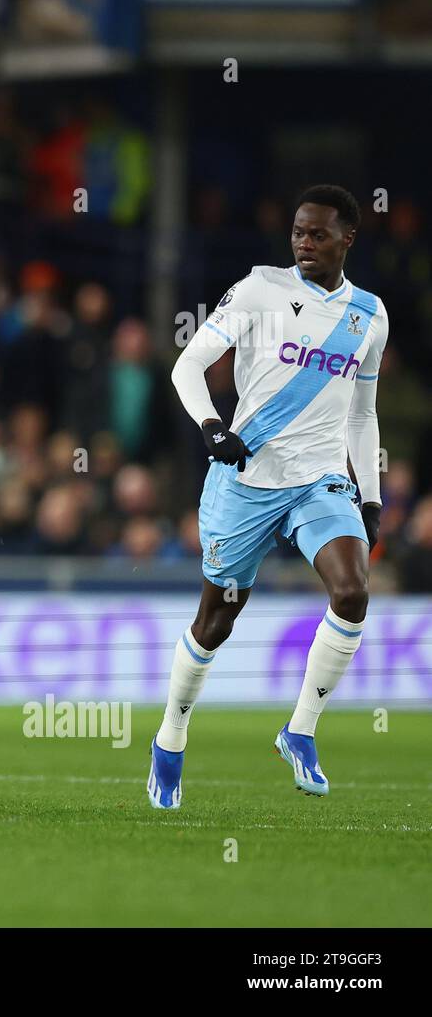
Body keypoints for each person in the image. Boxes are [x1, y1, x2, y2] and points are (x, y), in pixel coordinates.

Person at [151, 185, 386, 807]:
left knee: (353, 591)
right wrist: (210, 427)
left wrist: (371, 495)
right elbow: (187, 365)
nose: (304, 244)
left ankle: (300, 730)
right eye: (297, 233)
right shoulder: (258, 290)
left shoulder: (370, 315)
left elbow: (363, 414)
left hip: (319, 481)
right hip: (248, 478)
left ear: (347, 238)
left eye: (317, 235)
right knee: (215, 622)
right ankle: (171, 737)